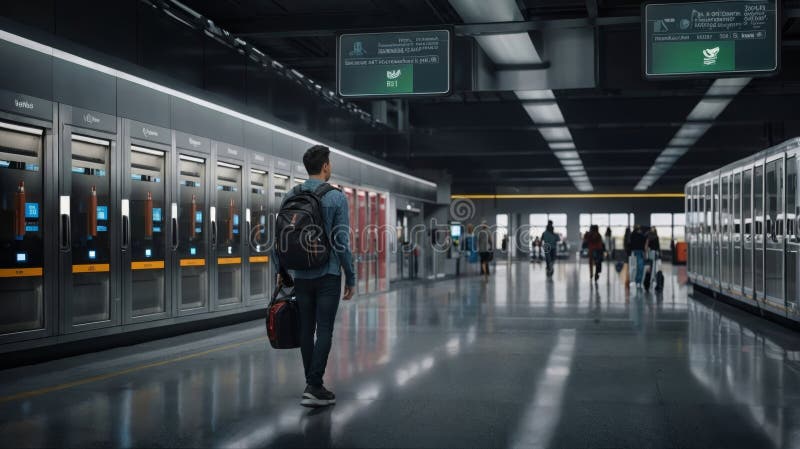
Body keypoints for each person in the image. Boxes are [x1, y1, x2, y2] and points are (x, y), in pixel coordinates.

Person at [274, 145, 355, 408]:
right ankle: (314, 385)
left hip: (300, 274)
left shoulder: (291, 195)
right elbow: (341, 241)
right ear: (325, 167)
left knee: (306, 329)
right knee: (325, 330)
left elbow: (280, 238)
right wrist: (351, 276)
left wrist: (281, 271)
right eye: (329, 163)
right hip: (327, 273)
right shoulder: (335, 197)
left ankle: (313, 384)